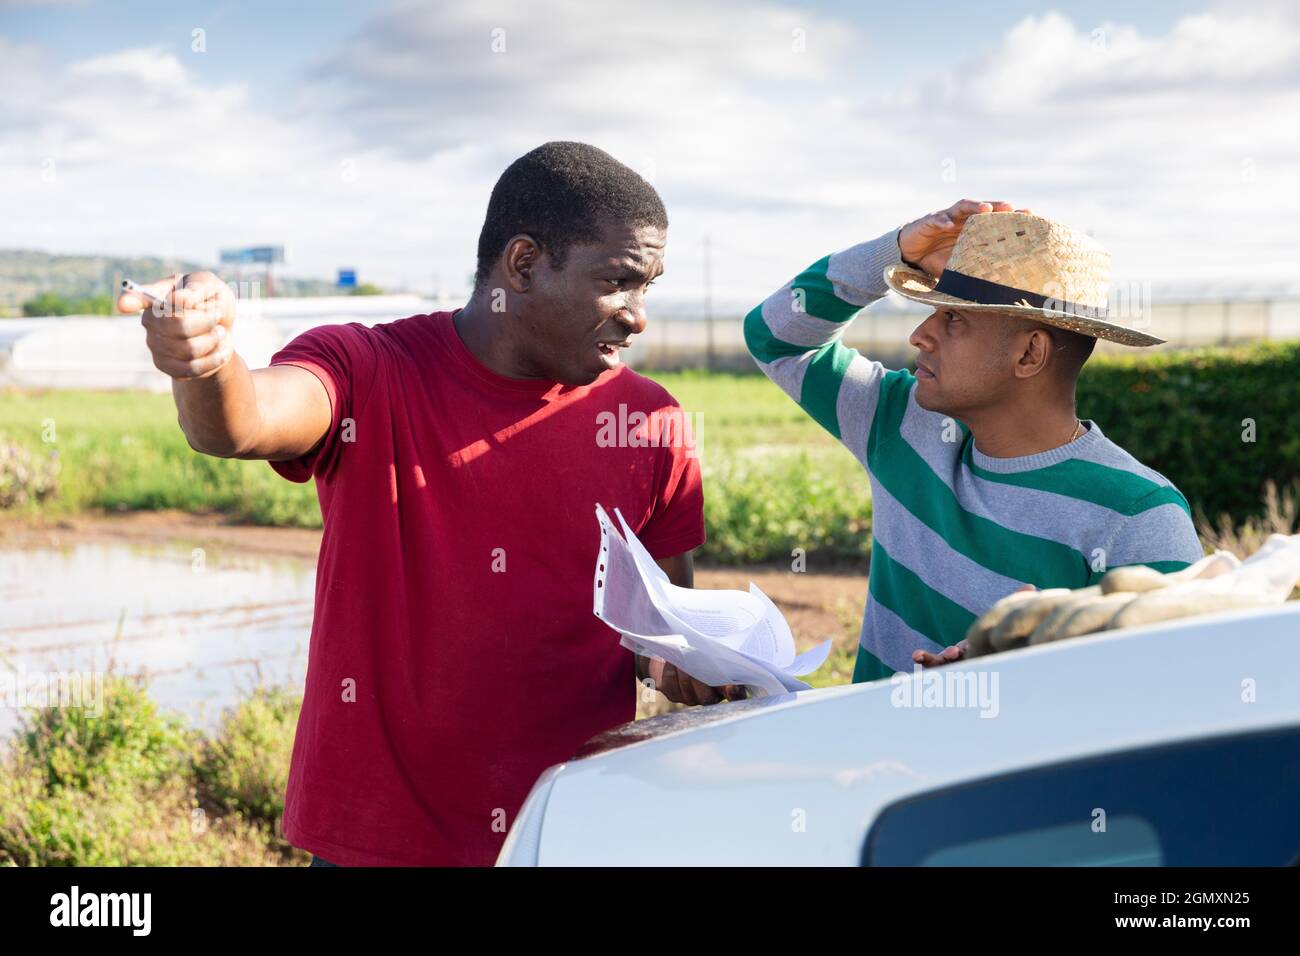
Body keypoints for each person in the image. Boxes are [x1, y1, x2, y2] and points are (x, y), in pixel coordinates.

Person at [117, 141, 738, 867]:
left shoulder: (651, 421)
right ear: (525, 264)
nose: (637, 317)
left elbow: (660, 628)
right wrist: (210, 360)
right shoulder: (370, 370)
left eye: (648, 288)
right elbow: (238, 423)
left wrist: (684, 668)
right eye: (619, 282)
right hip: (377, 846)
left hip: (566, 838)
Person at [744, 199, 1203, 682]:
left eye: (954, 319)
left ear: (1029, 353)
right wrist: (893, 253)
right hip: (869, 755)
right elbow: (774, 337)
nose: (920, 335)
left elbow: (1167, 694)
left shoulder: (1139, 517)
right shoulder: (899, 421)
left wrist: (1023, 677)